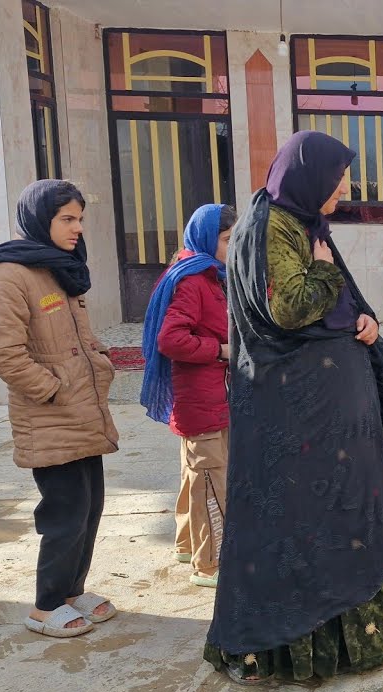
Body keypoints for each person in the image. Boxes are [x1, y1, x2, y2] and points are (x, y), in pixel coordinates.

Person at [204, 131, 383, 685]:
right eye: (337, 180)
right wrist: (322, 270)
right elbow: (289, 309)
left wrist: (363, 321)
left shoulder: (302, 223)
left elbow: (338, 304)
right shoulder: (270, 227)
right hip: (295, 419)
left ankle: (353, 642)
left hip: (324, 419)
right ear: (309, 178)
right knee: (301, 520)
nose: (343, 190)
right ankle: (287, 650)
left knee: (339, 514)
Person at [0, 179, 119, 637]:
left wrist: (99, 358)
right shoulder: (9, 273)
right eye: (67, 219)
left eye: (79, 218)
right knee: (64, 514)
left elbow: (77, 335)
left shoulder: (61, 266)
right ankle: (45, 607)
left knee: (89, 508)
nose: (77, 228)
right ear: (39, 218)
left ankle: (71, 592)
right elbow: (8, 356)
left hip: (83, 411)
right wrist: (54, 390)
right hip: (50, 416)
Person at [139, 203, 236, 588]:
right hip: (201, 399)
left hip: (209, 397)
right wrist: (220, 350)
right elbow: (171, 340)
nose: (232, 246)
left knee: (196, 476)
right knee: (211, 481)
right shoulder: (194, 280)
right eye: (227, 239)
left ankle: (186, 545)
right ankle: (210, 566)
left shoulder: (210, 274)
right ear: (207, 239)